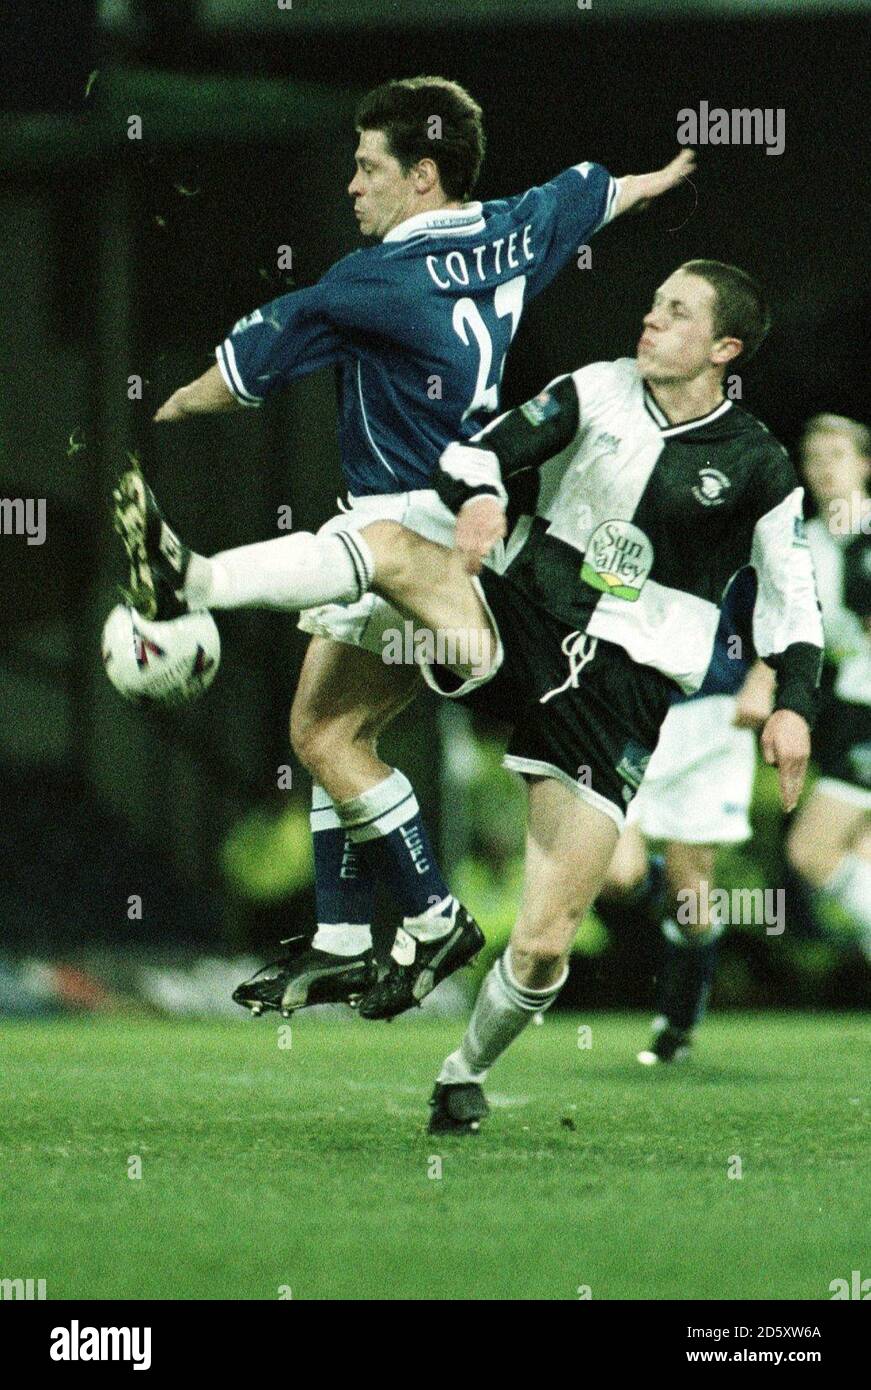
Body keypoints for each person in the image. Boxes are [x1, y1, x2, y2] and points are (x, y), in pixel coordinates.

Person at [116, 260, 824, 1136]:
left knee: (541, 945)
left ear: (724, 348)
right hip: (515, 614)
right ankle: (194, 579)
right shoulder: (597, 389)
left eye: (673, 313)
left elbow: (794, 601)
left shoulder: (756, 464)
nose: (648, 321)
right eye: (651, 302)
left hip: (616, 693)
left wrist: (792, 702)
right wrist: (485, 493)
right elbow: (476, 447)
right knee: (390, 541)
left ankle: (462, 1071)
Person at [121, 74, 695, 1013]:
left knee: (375, 543)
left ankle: (196, 580)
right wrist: (661, 178)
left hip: (451, 546)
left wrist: (163, 409)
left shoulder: (371, 280)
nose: (351, 186)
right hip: (444, 530)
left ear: (421, 174)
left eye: (366, 167)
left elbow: (239, 371)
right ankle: (352, 937)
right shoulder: (514, 225)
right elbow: (596, 190)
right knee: (324, 733)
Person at [598, 568, 775, 1065]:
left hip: (713, 716)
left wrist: (762, 680)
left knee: (691, 897)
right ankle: (655, 882)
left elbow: (787, 609)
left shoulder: (738, 513)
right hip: (631, 707)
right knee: (616, 875)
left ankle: (676, 1025)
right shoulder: (627, 514)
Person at [785, 415, 871, 960]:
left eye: (837, 455)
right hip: (842, 710)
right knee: (861, 852)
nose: (823, 469)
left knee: (811, 851)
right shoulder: (805, 541)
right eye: (813, 458)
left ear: (863, 464)